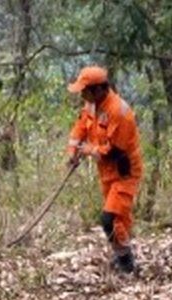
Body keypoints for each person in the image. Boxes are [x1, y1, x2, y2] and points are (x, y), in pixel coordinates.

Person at [66, 66, 143, 273]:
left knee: (109, 219)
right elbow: (80, 128)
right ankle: (123, 255)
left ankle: (126, 262)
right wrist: (73, 151)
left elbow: (113, 151)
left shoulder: (119, 112)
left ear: (98, 90)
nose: (81, 94)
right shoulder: (91, 105)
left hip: (124, 172)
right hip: (107, 174)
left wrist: (89, 150)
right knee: (121, 219)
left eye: (84, 90)